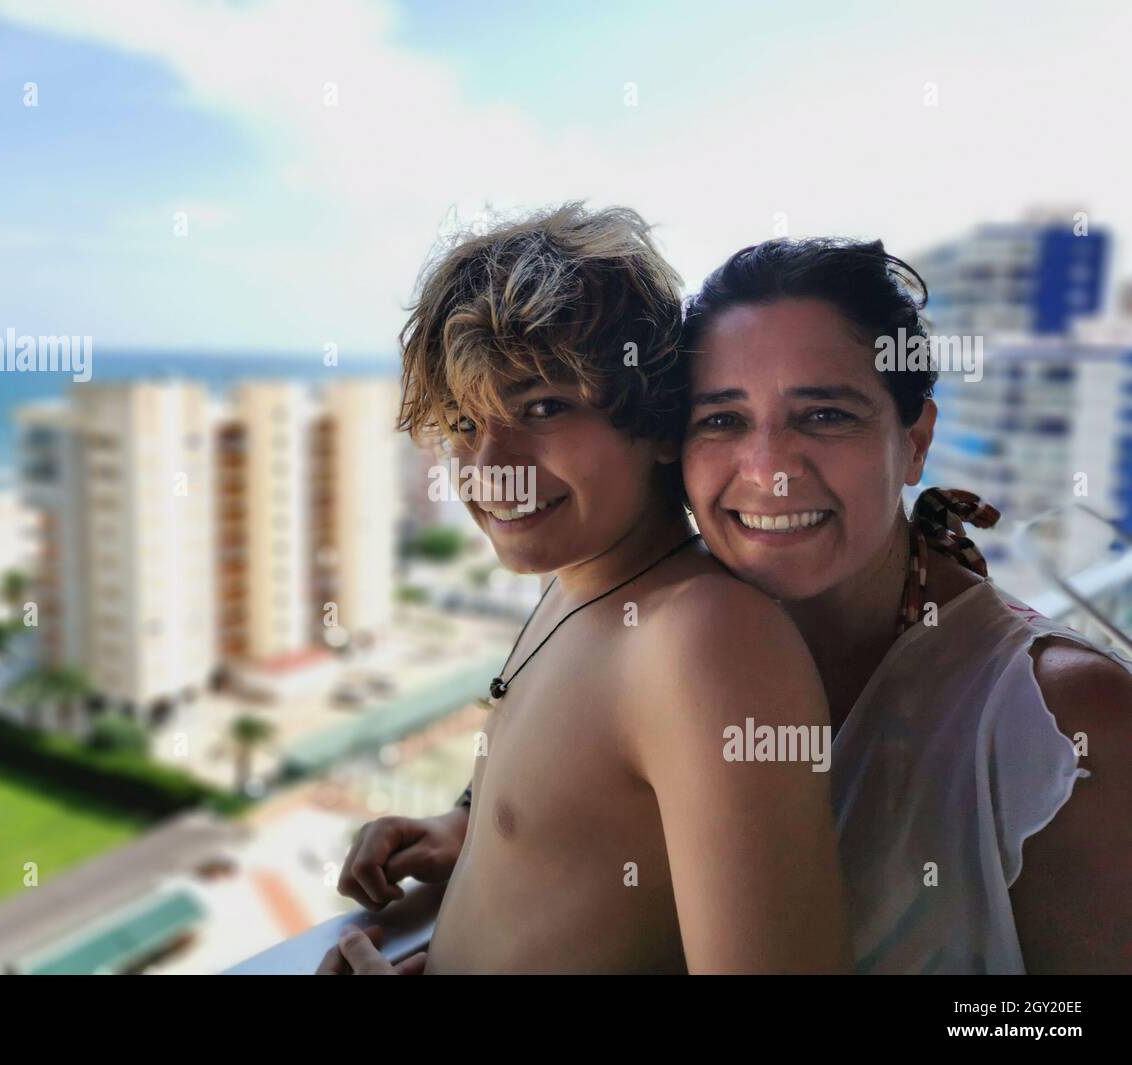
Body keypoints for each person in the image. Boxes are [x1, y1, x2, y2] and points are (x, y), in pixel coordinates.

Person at [333, 236, 1132, 975]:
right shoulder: (648, 610)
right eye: (722, 418)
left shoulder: (1067, 717)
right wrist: (475, 830)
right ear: (676, 434)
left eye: (824, 415)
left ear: (916, 439)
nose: (769, 470)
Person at [319, 205, 850, 974]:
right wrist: (470, 832)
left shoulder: (703, 641)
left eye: (543, 408)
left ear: (659, 422)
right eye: (465, 422)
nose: (491, 464)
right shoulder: (581, 582)